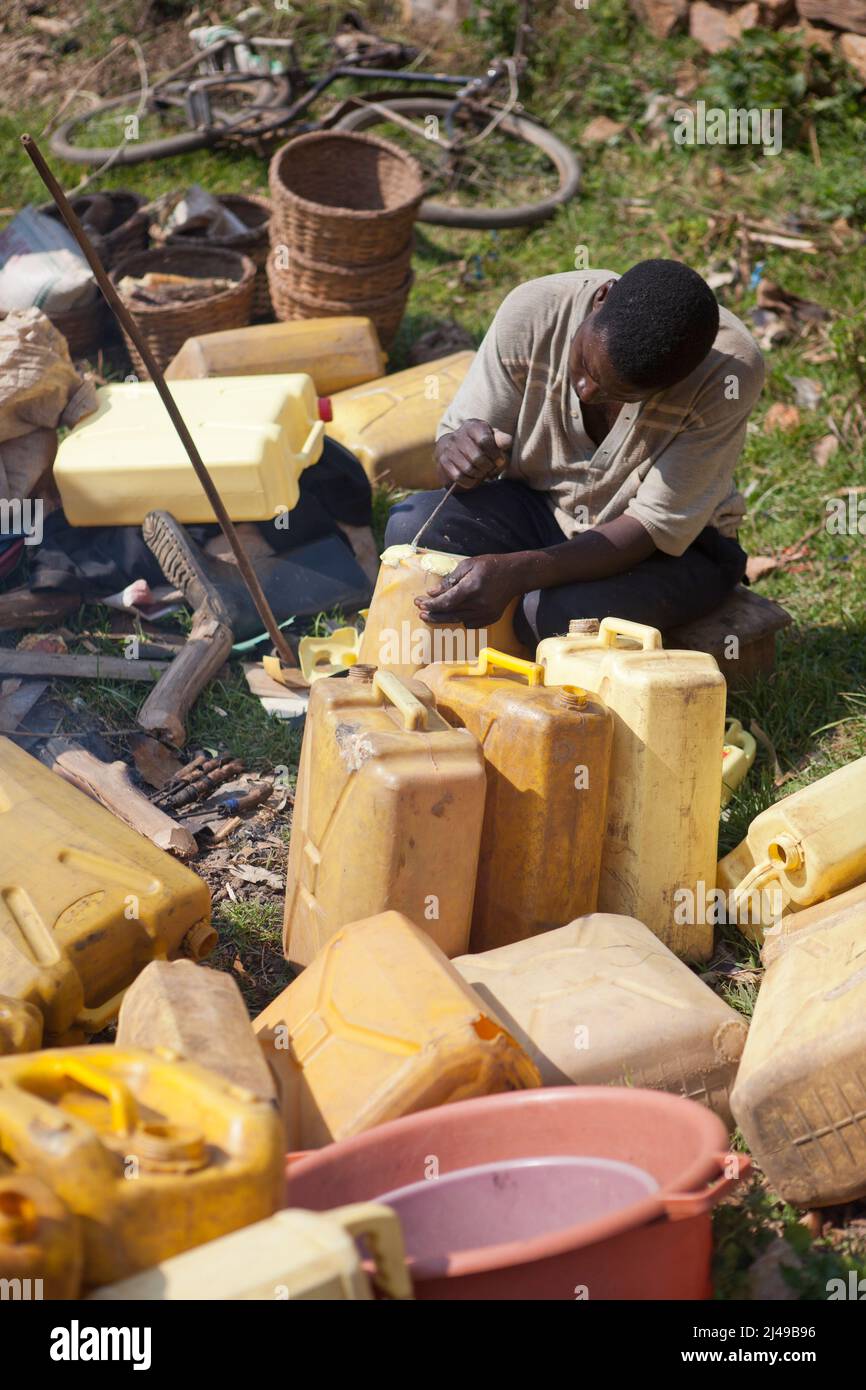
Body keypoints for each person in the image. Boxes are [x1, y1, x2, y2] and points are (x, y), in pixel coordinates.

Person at [384, 258, 764, 646]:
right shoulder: (533, 312)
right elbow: (454, 451)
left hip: (671, 552)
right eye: (584, 363)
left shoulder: (728, 373)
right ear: (602, 298)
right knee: (412, 528)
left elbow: (652, 526)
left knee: (551, 618)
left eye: (621, 393)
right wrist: (457, 456)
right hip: (542, 505)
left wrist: (518, 573)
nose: (585, 391)